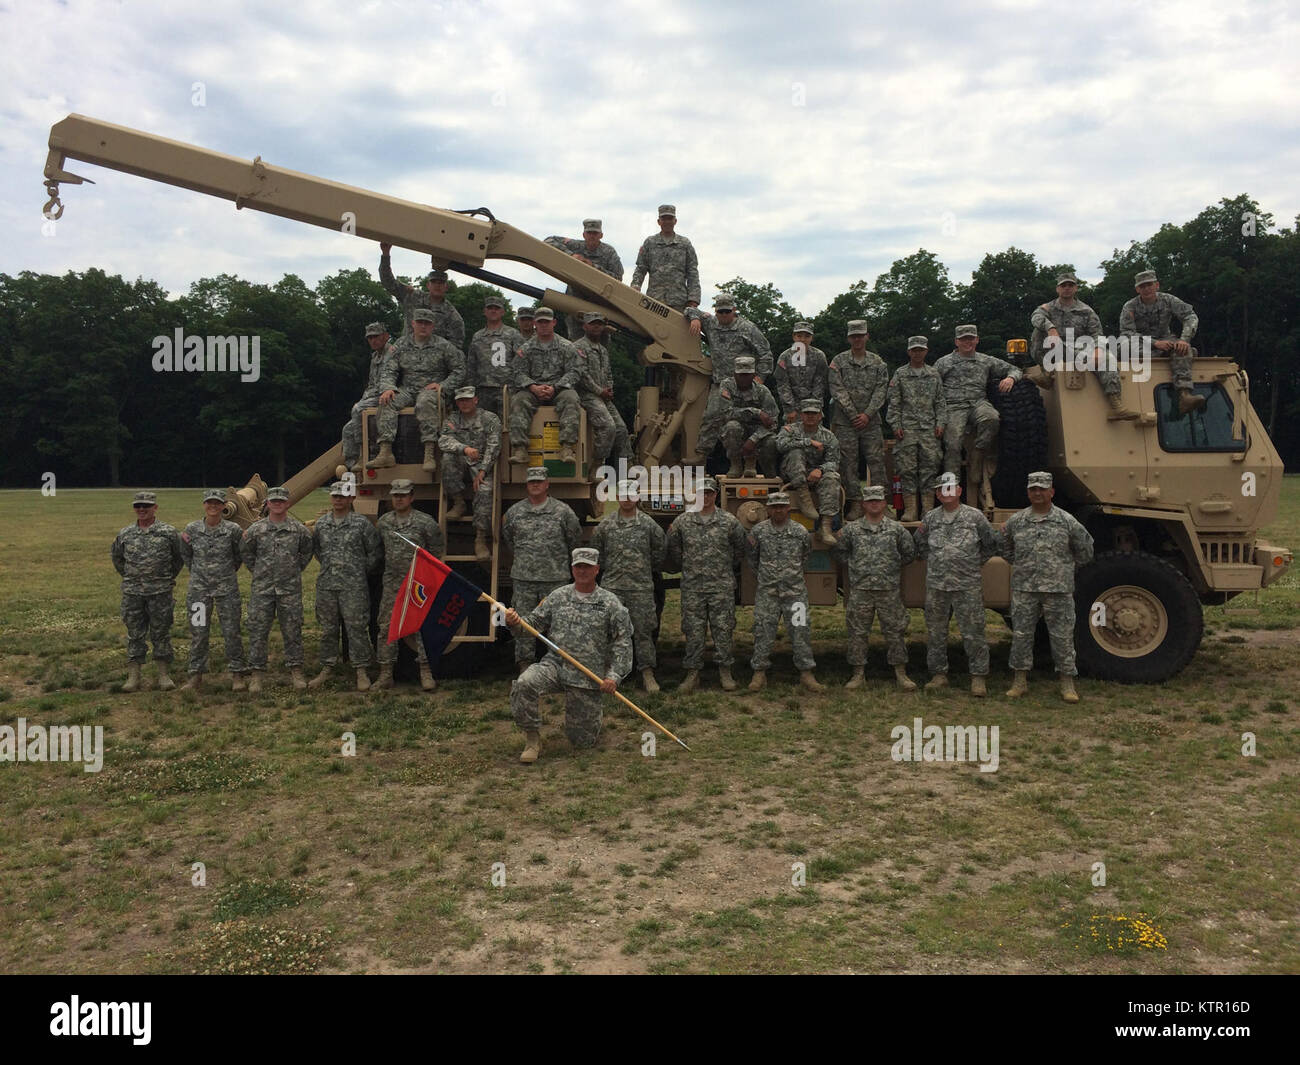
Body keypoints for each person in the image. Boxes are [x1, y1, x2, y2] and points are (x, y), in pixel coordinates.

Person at [505, 548, 633, 764]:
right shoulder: (558, 596)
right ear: (572, 569)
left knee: (582, 742)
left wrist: (614, 676)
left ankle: (589, 718)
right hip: (555, 665)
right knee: (524, 683)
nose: (582, 571)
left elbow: (623, 642)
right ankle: (532, 740)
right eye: (578, 566)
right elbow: (533, 625)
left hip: (588, 675)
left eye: (587, 566)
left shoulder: (610, 603)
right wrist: (515, 622)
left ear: (597, 569)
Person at [1000, 472, 1095, 703]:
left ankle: (1067, 684)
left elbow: (1085, 550)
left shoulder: (1066, 521)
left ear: (1051, 492)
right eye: (1033, 489)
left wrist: (1063, 569)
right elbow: (1004, 547)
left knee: (1062, 637)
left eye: (1042, 489)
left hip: (1058, 589)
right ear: (1028, 492)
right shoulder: (1017, 521)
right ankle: (1019, 681)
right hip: (1026, 588)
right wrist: (1024, 566)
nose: (1038, 492)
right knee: (1021, 636)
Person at [914, 475, 998, 695]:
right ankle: (939, 675)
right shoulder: (930, 518)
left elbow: (990, 544)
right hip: (937, 586)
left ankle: (978, 678)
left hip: (967, 585)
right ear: (938, 494)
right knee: (936, 632)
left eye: (951, 487)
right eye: (943, 489)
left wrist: (971, 563)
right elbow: (919, 544)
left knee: (973, 632)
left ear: (959, 491)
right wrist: (937, 562)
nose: (947, 492)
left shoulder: (975, 517)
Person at [830, 485, 917, 691]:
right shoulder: (852, 530)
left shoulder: (896, 529)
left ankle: (901, 673)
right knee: (858, 633)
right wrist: (854, 565)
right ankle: (858, 674)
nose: (874, 504)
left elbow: (908, 553)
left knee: (895, 632)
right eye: (870, 501)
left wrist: (889, 568)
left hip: (889, 590)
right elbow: (838, 552)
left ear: (884, 503)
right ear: (863, 505)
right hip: (861, 590)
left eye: (878, 500)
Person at [665, 476, 746, 692]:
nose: (705, 497)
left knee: (723, 629)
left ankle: (725, 672)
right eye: (701, 493)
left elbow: (740, 549)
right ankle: (693, 673)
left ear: (715, 495)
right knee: (693, 631)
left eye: (709, 493)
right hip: (693, 587)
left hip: (721, 587)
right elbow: (673, 547)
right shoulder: (683, 521)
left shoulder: (729, 521)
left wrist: (725, 566)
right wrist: (688, 564)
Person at [501, 467, 582, 671]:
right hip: (524, 579)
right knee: (523, 623)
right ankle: (525, 665)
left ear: (547, 484)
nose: (535, 484)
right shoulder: (514, 512)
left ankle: (557, 665)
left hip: (555, 578)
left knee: (559, 624)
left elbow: (574, 540)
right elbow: (509, 540)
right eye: (531, 482)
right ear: (527, 485)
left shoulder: (563, 512)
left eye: (539, 481)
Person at [591, 480, 667, 692]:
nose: (627, 498)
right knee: (612, 632)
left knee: (644, 631)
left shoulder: (648, 525)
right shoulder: (605, 526)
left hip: (641, 587)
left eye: (631, 493)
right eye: (623, 493)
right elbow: (598, 555)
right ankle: (613, 673)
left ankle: (647, 673)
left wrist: (642, 569)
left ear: (638, 496)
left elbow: (660, 552)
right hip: (613, 588)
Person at [934, 324, 1020, 510]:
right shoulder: (944, 362)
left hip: (978, 403)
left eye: (971, 338)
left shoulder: (985, 360)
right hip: (953, 406)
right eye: (963, 339)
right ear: (956, 341)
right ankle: (952, 486)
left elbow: (1015, 369)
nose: (968, 342)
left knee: (992, 419)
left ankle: (978, 454)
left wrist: (1010, 378)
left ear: (977, 340)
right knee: (953, 443)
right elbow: (932, 384)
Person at [368, 307, 466, 470]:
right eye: (420, 322)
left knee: (425, 401)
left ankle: (428, 453)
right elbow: (389, 369)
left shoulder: (443, 346)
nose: (423, 326)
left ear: (433, 326)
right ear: (413, 324)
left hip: (431, 391)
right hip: (407, 389)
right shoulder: (401, 344)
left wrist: (443, 385)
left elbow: (460, 369)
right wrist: (388, 387)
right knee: (386, 401)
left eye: (427, 323)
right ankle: (385, 452)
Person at [1031, 272, 1136, 420]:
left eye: (1070, 285)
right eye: (1063, 285)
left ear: (1076, 288)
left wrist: (1098, 350)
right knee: (1038, 330)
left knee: (1107, 358)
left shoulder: (1086, 311)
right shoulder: (1047, 308)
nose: (1067, 288)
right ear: (1058, 289)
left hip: (1077, 350)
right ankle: (1046, 373)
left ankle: (1116, 404)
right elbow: (1036, 317)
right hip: (1054, 348)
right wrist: (1050, 328)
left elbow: (1097, 333)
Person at [747, 492, 823, 692]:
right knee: (763, 632)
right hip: (768, 593)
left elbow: (805, 555)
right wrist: (768, 577)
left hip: (795, 593)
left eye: (782, 506)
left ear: (788, 508)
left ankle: (807, 674)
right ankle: (759, 673)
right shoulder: (758, 532)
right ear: (768, 509)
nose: (778, 510)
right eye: (774, 507)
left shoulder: (800, 532)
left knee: (800, 632)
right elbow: (753, 559)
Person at [309, 482, 382, 692]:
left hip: (354, 587)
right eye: (335, 495)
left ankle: (361, 670)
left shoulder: (361, 524)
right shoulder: (322, 524)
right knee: (328, 629)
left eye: (342, 496)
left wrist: (359, 571)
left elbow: (375, 553)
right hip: (327, 586)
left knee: (356, 628)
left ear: (351, 499)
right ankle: (327, 667)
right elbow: (317, 550)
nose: (338, 499)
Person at [241, 486, 314, 693]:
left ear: (288, 504)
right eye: (274, 501)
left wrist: (295, 568)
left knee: (292, 631)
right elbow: (246, 551)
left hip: (289, 589)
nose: (278, 504)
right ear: (268, 504)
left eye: (281, 501)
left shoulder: (299, 530)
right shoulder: (256, 530)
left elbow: (307, 551)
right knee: (258, 631)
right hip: (262, 590)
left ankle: (296, 671)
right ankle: (256, 674)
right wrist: (257, 570)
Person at [112, 490, 184, 692]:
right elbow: (118, 559)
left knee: (161, 633)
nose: (142, 509)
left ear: (155, 508)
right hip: (133, 592)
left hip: (160, 591)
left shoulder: (168, 532)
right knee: (135, 633)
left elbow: (178, 559)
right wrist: (132, 577)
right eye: (138, 506)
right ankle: (134, 677)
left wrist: (165, 578)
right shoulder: (125, 533)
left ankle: (163, 675)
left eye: (146, 506)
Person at [374, 479, 443, 691]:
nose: (399, 499)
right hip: (392, 583)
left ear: (411, 497)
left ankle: (425, 672)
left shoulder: (425, 522)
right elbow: (379, 550)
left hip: (416, 584)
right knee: (386, 627)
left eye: (403, 495)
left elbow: (436, 550)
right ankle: (386, 673)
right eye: (395, 495)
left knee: (421, 627)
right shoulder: (384, 522)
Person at [687, 293, 773, 459]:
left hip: (745, 385)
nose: (724, 315)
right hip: (721, 384)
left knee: (749, 421)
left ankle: (749, 462)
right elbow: (690, 309)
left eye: (727, 311)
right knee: (710, 418)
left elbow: (766, 354)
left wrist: (760, 378)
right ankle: (701, 456)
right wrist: (694, 319)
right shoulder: (710, 322)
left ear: (734, 310)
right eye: (720, 312)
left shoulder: (747, 328)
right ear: (716, 311)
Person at [180, 488, 246, 691]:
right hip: (199, 592)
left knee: (231, 632)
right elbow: (186, 555)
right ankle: (195, 675)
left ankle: (237, 675)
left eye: (217, 503)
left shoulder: (233, 530)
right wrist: (200, 574)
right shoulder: (191, 530)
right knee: (198, 633)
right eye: (209, 502)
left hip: (227, 590)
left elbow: (239, 555)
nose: (213, 506)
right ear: (204, 505)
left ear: (224, 506)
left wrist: (224, 573)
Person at [1120, 269, 1205, 414]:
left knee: (1182, 349)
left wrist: (1184, 340)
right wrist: (1154, 343)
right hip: (1141, 344)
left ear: (1156, 285)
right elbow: (1127, 332)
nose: (1146, 289)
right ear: (1137, 289)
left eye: (1149, 285)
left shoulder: (1168, 300)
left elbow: (1190, 316)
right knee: (1121, 346)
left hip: (1166, 341)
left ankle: (1184, 395)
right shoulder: (1130, 306)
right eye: (1142, 286)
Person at [828, 319, 890, 516]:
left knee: (877, 461)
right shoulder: (838, 362)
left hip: (871, 422)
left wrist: (867, 414)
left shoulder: (878, 362)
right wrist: (854, 415)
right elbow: (837, 390)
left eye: (860, 335)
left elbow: (881, 391)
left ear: (867, 337)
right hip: (845, 422)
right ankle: (854, 502)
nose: (857, 339)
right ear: (848, 338)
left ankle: (880, 502)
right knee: (848, 463)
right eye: (854, 336)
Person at [507, 307, 582, 466]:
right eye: (540, 322)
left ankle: (567, 448)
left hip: (559, 390)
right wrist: (533, 387)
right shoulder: (526, 348)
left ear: (554, 322)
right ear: (535, 324)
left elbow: (575, 371)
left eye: (547, 322)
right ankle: (520, 450)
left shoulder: (566, 346)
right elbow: (516, 372)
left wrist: (556, 387)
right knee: (519, 400)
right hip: (533, 391)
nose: (543, 325)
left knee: (571, 398)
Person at [438, 385, 502, 564]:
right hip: (462, 460)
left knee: (485, 490)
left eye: (467, 399)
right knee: (447, 459)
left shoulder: (489, 419)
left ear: (475, 400)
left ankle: (480, 538)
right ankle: (458, 502)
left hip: (482, 464)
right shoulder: (453, 419)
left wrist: (483, 471)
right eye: (460, 400)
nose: (464, 403)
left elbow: (494, 446)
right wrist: (463, 448)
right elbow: (443, 440)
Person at [886, 336, 947, 522]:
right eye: (914, 350)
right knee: (907, 469)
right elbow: (893, 402)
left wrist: (940, 423)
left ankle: (927, 509)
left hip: (929, 429)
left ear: (926, 351)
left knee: (930, 468)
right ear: (909, 352)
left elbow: (940, 402)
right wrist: (895, 425)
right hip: (907, 429)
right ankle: (911, 509)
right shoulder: (901, 374)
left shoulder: (934, 374)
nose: (917, 353)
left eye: (921, 350)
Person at [775, 399, 841, 543]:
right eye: (807, 413)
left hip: (815, 476)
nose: (810, 416)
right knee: (796, 452)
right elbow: (780, 445)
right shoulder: (790, 430)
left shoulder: (828, 436)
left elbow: (834, 462)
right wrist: (807, 442)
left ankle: (825, 528)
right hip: (792, 475)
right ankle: (805, 499)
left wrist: (820, 470)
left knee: (832, 477)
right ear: (801, 415)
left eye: (814, 413)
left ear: (820, 416)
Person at [378, 244, 466, 346]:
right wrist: (385, 253)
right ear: (428, 285)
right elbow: (388, 282)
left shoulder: (452, 314)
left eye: (441, 283)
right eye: (434, 282)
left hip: (431, 359)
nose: (437, 285)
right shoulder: (413, 296)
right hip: (406, 354)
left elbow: (457, 343)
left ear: (446, 287)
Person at [572, 312, 627, 469]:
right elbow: (582, 375)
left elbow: (608, 373)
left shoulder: (602, 349)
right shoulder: (578, 347)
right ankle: (596, 465)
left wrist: (609, 389)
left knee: (621, 429)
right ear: (585, 326)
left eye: (599, 324)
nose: (596, 326)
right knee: (608, 426)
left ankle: (625, 468)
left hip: (603, 396)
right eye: (592, 323)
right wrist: (599, 391)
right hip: (586, 396)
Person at [342, 322, 395, 473]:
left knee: (358, 410)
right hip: (374, 396)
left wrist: (362, 403)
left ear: (385, 336)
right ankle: (353, 467)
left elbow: (388, 382)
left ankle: (363, 454)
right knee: (348, 429)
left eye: (376, 336)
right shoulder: (375, 356)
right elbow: (372, 384)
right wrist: (363, 399)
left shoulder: (392, 352)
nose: (373, 340)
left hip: (388, 395)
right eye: (370, 338)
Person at [716, 356, 779, 477]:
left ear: (754, 375)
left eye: (747, 375)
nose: (743, 378)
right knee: (732, 426)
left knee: (772, 442)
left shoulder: (762, 391)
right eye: (740, 375)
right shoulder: (727, 386)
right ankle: (736, 464)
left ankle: (764, 470)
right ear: (734, 374)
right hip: (735, 430)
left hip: (758, 432)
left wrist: (753, 439)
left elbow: (773, 421)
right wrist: (755, 412)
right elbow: (726, 413)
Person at [630, 204, 700, 312]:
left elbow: (692, 272)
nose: (667, 222)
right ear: (658, 221)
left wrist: (693, 299)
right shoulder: (650, 243)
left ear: (675, 221)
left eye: (670, 219)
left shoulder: (684, 244)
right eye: (664, 219)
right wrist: (635, 286)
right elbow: (641, 268)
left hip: (679, 301)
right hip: (654, 301)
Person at [466, 295, 523, 417]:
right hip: (483, 390)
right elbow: (471, 365)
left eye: (497, 308)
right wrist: (471, 390)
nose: (493, 311)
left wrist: (516, 387)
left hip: (506, 389)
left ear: (502, 312)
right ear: (485, 311)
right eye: (490, 308)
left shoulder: (513, 334)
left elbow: (521, 363)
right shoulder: (477, 336)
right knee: (484, 427)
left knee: (507, 426)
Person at [773, 322, 829, 423]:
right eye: (799, 336)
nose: (803, 340)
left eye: (807, 336)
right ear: (794, 337)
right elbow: (783, 385)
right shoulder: (784, 357)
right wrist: (790, 409)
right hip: (792, 410)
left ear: (812, 338)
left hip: (814, 409)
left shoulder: (819, 356)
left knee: (815, 438)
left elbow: (820, 385)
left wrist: (813, 408)